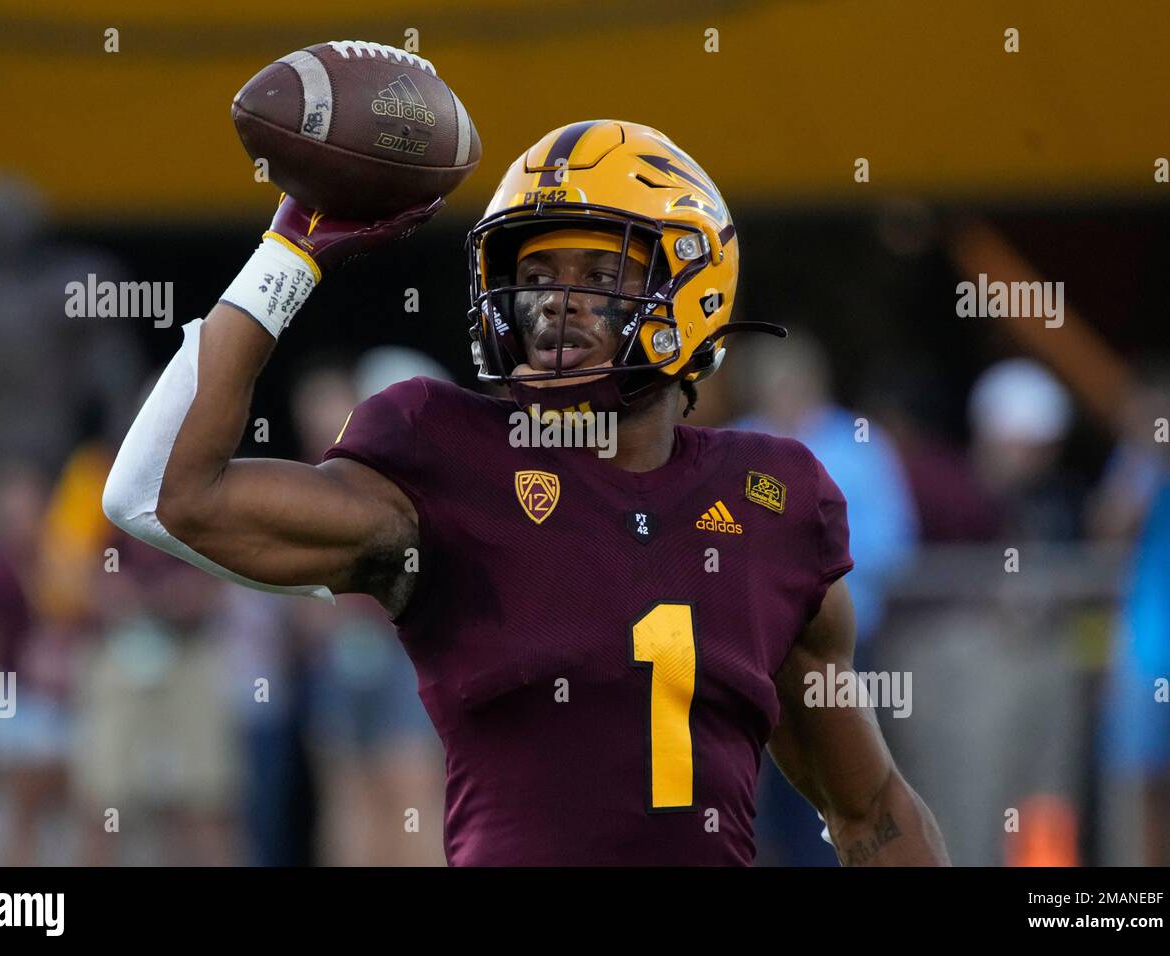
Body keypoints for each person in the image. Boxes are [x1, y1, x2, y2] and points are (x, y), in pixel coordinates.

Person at [103, 116, 948, 866]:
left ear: (694, 284)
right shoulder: (446, 460)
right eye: (537, 275)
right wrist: (286, 257)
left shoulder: (776, 502)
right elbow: (159, 493)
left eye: (598, 273)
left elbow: (869, 809)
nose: (553, 304)